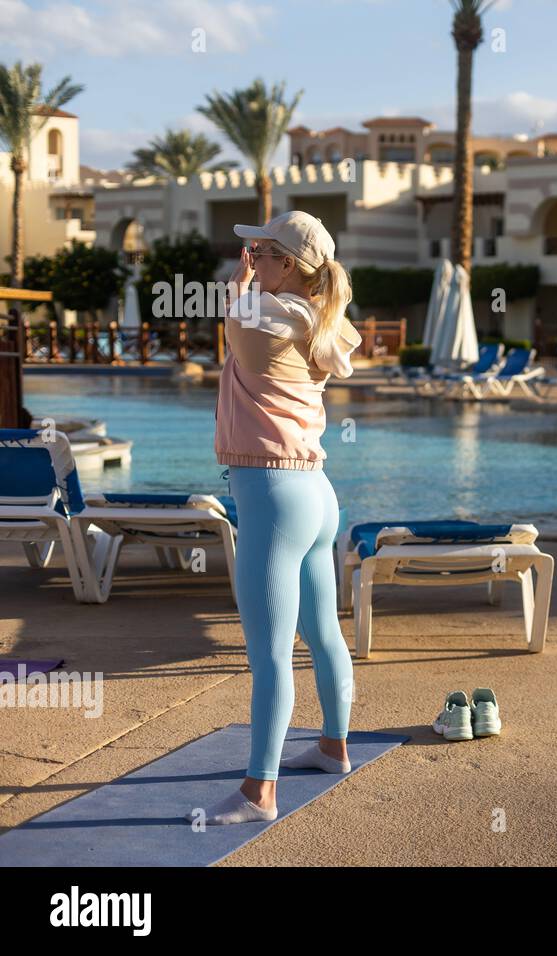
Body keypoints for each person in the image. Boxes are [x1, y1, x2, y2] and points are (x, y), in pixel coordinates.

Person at [202, 210, 362, 826]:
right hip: (315, 493)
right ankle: (333, 746)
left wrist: (240, 284)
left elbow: (233, 320)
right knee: (323, 632)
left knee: (269, 653)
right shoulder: (317, 320)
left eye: (262, 252)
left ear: (287, 265)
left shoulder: (268, 319)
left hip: (272, 494)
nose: (251, 260)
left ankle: (258, 793)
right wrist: (251, 280)